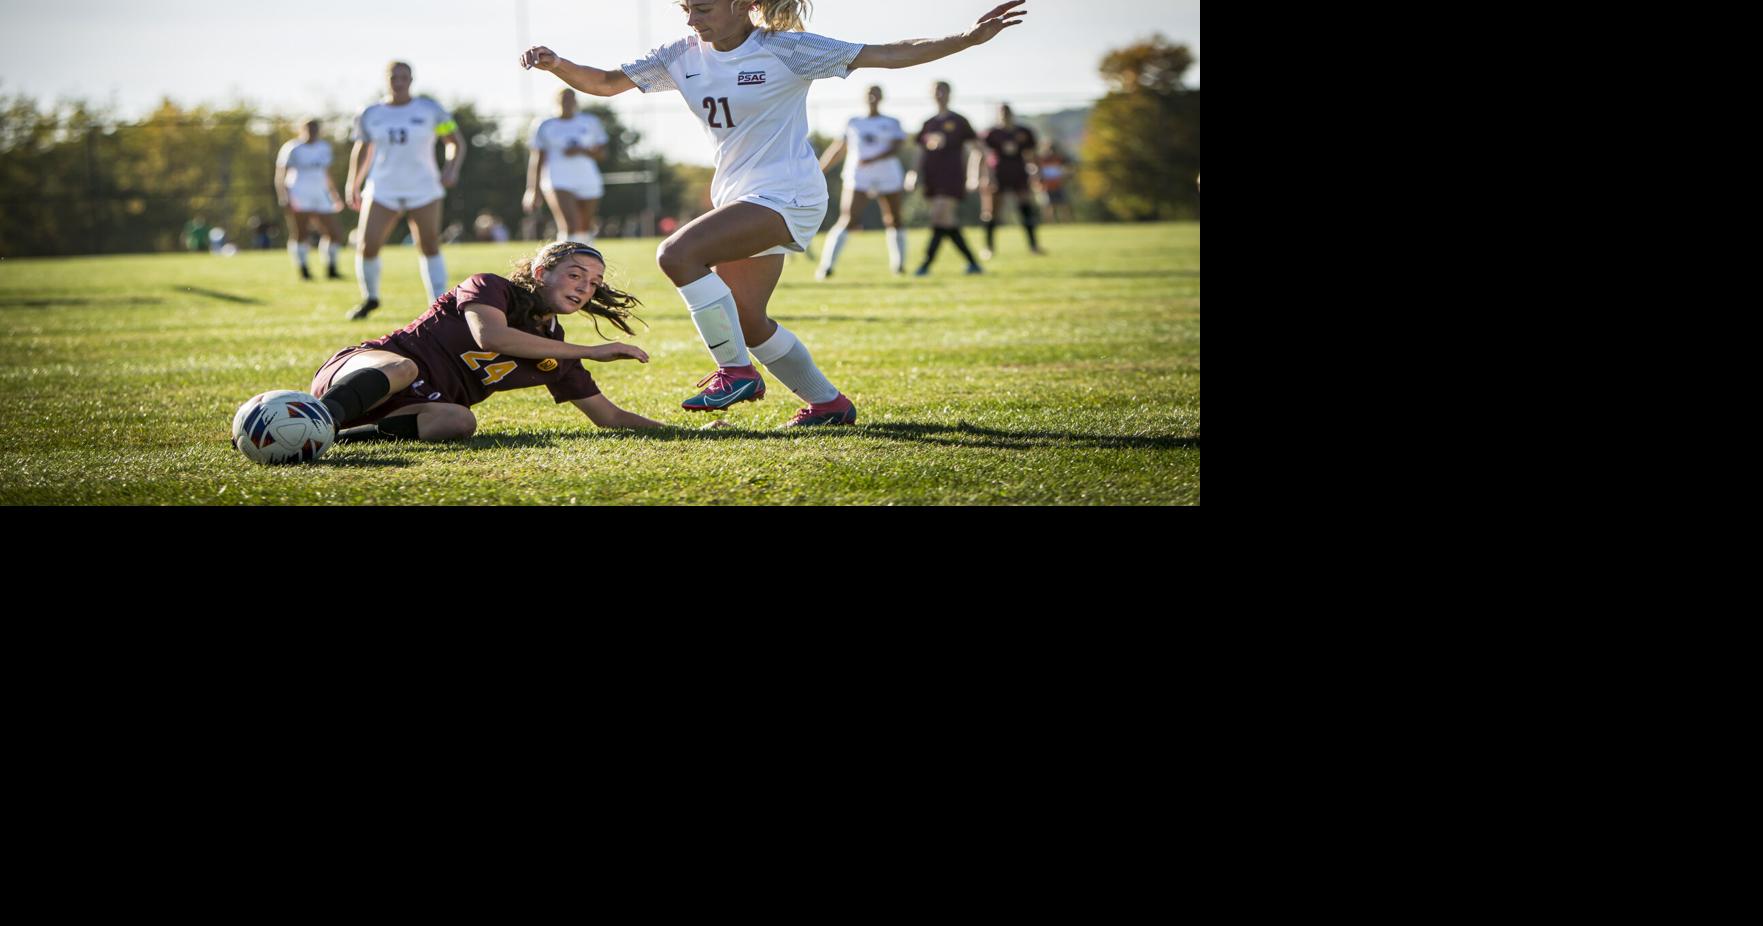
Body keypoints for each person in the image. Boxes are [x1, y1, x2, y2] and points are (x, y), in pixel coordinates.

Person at [521, 0, 1027, 426]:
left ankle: (734, 372)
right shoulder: (681, 54)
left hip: (789, 195)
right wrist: (557, 63)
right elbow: (606, 82)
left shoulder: (786, 48)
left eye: (703, 8)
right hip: (740, 197)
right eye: (686, 9)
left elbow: (888, 53)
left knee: (677, 253)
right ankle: (828, 404)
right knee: (747, 320)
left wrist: (966, 38)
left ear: (743, 4)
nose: (692, 19)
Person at [308, 241, 666, 442]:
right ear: (541, 273)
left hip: (408, 407)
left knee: (459, 421)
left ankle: (336, 438)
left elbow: (609, 416)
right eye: (575, 275)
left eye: (593, 284)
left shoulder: (555, 347)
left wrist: (680, 433)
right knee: (404, 367)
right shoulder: (490, 286)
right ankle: (316, 420)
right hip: (362, 372)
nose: (584, 288)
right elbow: (491, 336)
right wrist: (592, 352)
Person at [345, 61, 464, 320]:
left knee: (429, 244)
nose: (398, 82)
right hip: (382, 187)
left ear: (411, 79)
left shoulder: (430, 110)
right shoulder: (370, 113)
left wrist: (451, 168)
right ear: (385, 80)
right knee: (368, 244)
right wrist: (353, 182)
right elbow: (363, 149)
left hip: (423, 187)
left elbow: (454, 142)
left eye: (403, 77)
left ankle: (438, 305)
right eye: (393, 77)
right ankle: (370, 298)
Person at [815, 84, 908, 278]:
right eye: (869, 94)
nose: (872, 97)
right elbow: (838, 148)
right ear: (864, 97)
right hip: (858, 177)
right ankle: (826, 267)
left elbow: (897, 147)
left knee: (894, 219)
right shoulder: (853, 122)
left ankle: (898, 266)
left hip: (888, 175)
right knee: (848, 219)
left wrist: (873, 159)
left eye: (876, 94)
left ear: (882, 97)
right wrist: (818, 170)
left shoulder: (892, 122)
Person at [913, 80, 984, 276]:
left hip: (952, 177)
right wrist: (913, 174)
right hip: (932, 178)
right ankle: (973, 263)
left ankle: (925, 264)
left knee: (939, 216)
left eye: (943, 91)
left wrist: (973, 176)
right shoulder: (928, 123)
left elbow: (978, 150)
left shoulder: (959, 121)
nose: (939, 95)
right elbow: (919, 152)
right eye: (936, 91)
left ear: (950, 93)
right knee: (946, 221)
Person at [525, 89, 611, 243]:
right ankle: (566, 256)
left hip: (587, 178)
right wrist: (532, 190)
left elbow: (603, 154)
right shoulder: (544, 125)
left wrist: (582, 150)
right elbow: (537, 158)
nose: (568, 102)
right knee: (570, 224)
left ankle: (587, 255)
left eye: (571, 99)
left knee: (584, 226)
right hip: (558, 179)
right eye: (564, 99)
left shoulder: (590, 122)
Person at [275, 118, 347, 280]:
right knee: (301, 233)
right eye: (309, 128)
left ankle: (331, 267)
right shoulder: (292, 147)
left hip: (320, 194)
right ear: (302, 129)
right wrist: (283, 196)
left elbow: (327, 173)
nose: (312, 131)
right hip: (299, 194)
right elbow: (281, 174)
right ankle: (303, 269)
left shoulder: (324, 147)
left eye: (315, 128)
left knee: (334, 233)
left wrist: (334, 194)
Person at [978, 103, 1043, 257]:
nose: (1004, 115)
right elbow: (981, 155)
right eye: (1001, 112)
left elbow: (1031, 154)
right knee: (991, 211)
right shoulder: (991, 133)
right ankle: (989, 247)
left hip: (1019, 173)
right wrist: (981, 176)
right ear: (997, 114)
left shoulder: (1023, 132)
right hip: (997, 175)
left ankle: (1033, 246)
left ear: (1012, 114)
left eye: (1007, 112)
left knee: (1025, 208)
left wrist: (1036, 172)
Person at [1037, 141, 1073, 223]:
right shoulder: (1040, 159)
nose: (1050, 151)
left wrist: (1067, 175)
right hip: (1046, 187)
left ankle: (1066, 222)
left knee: (1063, 205)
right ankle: (1049, 223)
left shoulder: (1059, 158)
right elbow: (1036, 171)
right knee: (1048, 206)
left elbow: (1068, 166)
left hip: (1059, 185)